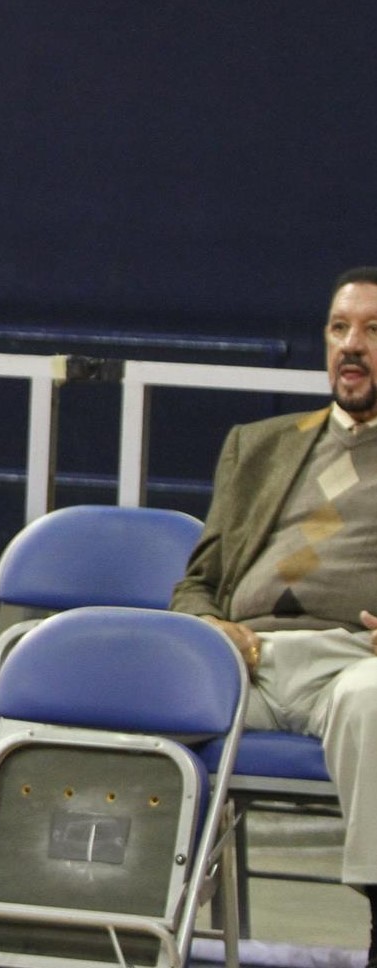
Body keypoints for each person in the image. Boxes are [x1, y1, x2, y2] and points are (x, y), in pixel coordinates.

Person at [172, 265, 377, 966]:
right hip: (242, 663)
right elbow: (194, 585)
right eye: (338, 328)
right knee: (119, 691)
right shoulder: (258, 445)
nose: (351, 345)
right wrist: (208, 626)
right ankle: (117, 912)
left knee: (373, 702)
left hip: (352, 662)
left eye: (373, 331)